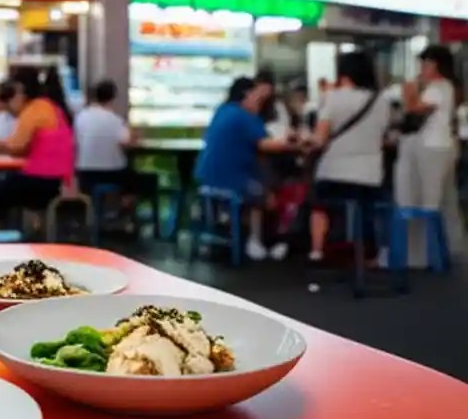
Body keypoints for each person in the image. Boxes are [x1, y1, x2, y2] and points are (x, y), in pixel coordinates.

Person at [193, 76, 294, 260]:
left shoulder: (222, 110)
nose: (260, 103)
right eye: (258, 97)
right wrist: (293, 143)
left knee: (258, 182)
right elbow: (265, 144)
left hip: (207, 177)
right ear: (247, 95)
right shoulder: (244, 116)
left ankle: (240, 234)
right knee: (265, 193)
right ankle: (256, 240)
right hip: (231, 180)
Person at [306, 51, 390, 264]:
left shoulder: (334, 98)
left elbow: (320, 138)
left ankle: (317, 250)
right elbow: (383, 136)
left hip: (334, 174)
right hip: (371, 177)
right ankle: (371, 253)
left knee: (318, 203)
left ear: (342, 73)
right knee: (365, 207)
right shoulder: (382, 100)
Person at [0, 66, 75, 213]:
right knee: (3, 183)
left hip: (40, 180)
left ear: (23, 92)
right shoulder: (51, 107)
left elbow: (15, 147)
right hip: (57, 179)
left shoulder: (33, 111)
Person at [395, 44, 458, 265]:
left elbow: (413, 109)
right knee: (436, 200)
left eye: (426, 63)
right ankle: (436, 253)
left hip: (433, 148)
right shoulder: (446, 87)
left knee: (429, 202)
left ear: (436, 65)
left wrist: (409, 91)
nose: (422, 67)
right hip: (440, 147)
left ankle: (428, 256)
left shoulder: (437, 88)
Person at [74, 80, 133, 192]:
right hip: (112, 172)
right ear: (113, 98)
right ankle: (123, 206)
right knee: (131, 173)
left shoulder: (80, 117)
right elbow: (126, 142)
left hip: (85, 171)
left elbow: (76, 142)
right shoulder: (115, 119)